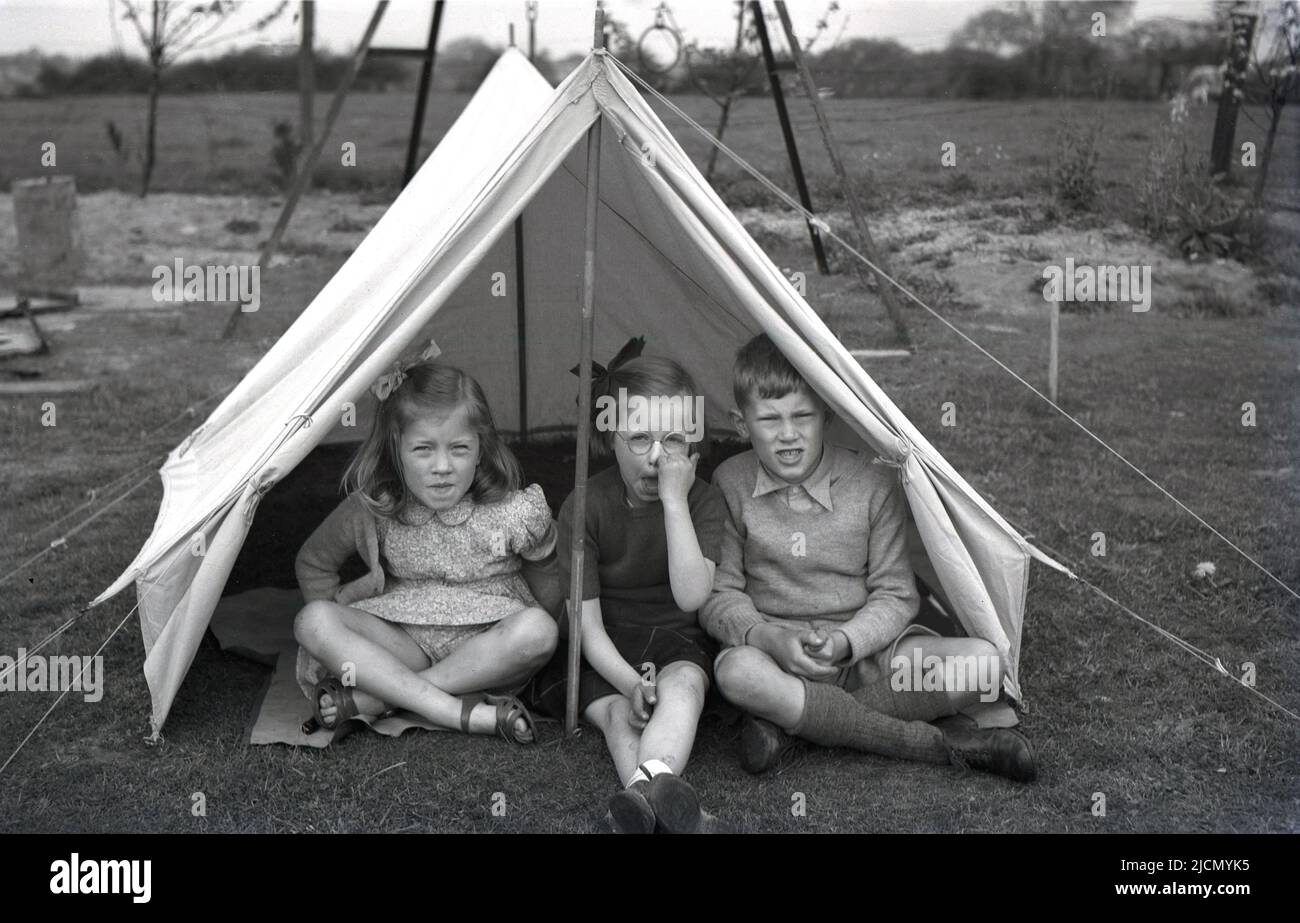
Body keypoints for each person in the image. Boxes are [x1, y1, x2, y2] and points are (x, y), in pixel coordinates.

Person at [701, 334, 1037, 782]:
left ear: (828, 413)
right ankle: (929, 745)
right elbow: (719, 595)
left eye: (802, 415)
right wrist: (766, 638)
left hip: (868, 659)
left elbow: (896, 594)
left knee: (983, 663)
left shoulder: (871, 482)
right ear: (741, 423)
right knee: (737, 673)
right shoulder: (729, 482)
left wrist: (845, 642)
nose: (788, 434)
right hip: (774, 655)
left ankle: (793, 725)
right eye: (769, 419)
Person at [293, 358, 559, 745]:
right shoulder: (377, 507)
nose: (442, 466)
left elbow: (550, 582)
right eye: (422, 449)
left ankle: (387, 697)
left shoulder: (514, 511)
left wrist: (556, 639)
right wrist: (344, 648)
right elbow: (314, 562)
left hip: (485, 652)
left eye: (459, 449)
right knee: (312, 621)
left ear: (481, 449)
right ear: (395, 449)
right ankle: (453, 711)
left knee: (539, 630)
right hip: (404, 644)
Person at [533, 348, 728, 832]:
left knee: (682, 687)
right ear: (610, 440)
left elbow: (690, 597)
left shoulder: (702, 501)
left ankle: (641, 797)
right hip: (605, 646)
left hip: (675, 639)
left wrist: (673, 503)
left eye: (674, 440)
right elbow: (587, 625)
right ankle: (671, 809)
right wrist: (627, 682)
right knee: (624, 713)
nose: (658, 457)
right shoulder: (586, 504)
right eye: (639, 438)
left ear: (695, 445)